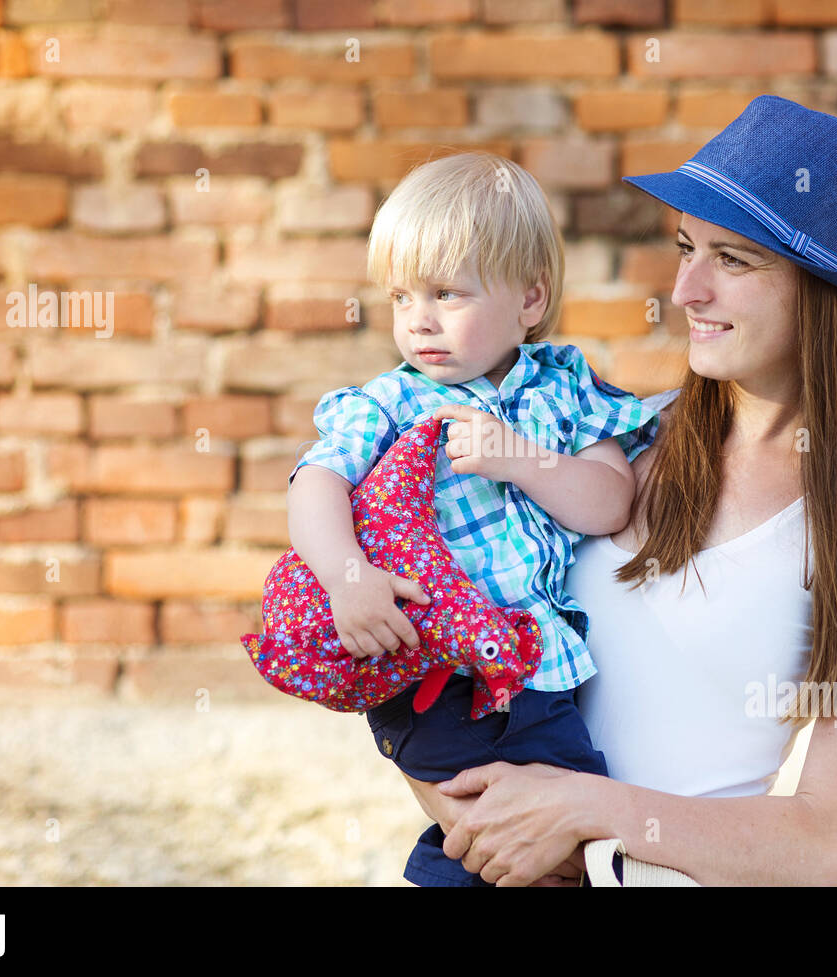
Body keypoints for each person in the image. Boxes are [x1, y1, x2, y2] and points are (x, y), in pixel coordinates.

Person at [398, 94, 837, 886]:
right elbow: (421, 639)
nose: (687, 289)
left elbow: (821, 842)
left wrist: (584, 810)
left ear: (826, 294)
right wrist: (472, 819)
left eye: (732, 260)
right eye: (686, 248)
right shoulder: (607, 438)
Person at [285, 151, 661, 886]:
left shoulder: (562, 390)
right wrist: (346, 574)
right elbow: (316, 479)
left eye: (446, 294)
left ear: (529, 299)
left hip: (536, 674)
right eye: (401, 298)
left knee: (550, 837)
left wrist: (523, 460)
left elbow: (610, 497)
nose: (418, 321)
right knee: (547, 840)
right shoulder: (393, 402)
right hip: (441, 671)